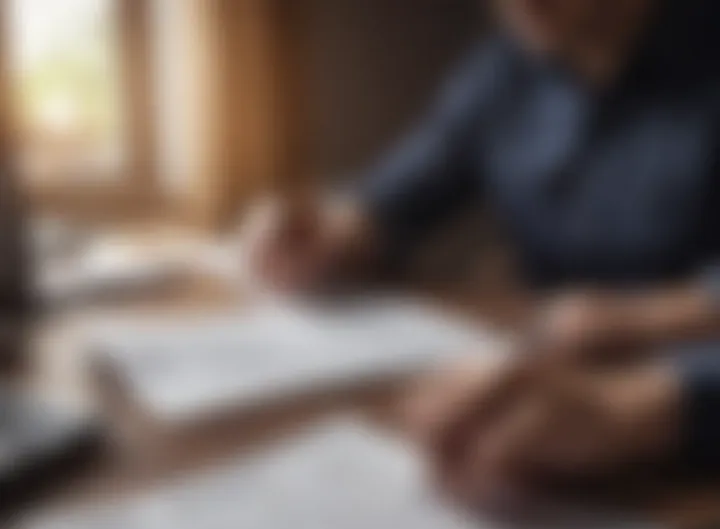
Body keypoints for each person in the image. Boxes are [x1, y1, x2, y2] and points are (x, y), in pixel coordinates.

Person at [239, 0, 720, 502]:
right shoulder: (503, 70)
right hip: (544, 415)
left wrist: (640, 347)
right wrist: (324, 233)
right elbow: (392, 200)